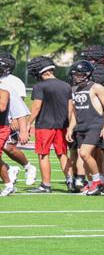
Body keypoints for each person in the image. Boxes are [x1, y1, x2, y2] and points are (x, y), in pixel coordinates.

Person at [25, 57, 71, 193]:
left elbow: (37, 107)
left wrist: (29, 123)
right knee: (62, 153)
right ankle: (71, 180)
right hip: (62, 125)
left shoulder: (40, 86)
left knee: (43, 154)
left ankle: (46, 185)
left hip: (44, 125)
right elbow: (70, 108)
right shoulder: (66, 85)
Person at [67, 60, 104, 194]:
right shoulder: (73, 89)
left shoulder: (96, 87)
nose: (77, 77)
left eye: (80, 74)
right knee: (83, 157)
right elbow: (74, 112)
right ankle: (91, 183)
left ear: (88, 74)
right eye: (75, 74)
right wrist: (70, 128)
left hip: (95, 125)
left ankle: (98, 181)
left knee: (85, 154)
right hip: (81, 126)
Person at [0, 54, 35, 195]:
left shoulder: (9, 85)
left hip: (4, 124)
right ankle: (9, 171)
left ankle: (23, 169)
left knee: (10, 148)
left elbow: (18, 108)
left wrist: (23, 130)